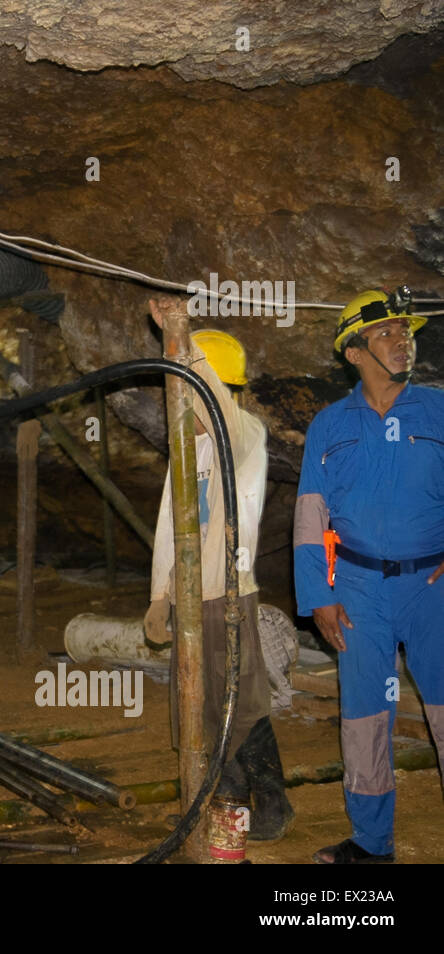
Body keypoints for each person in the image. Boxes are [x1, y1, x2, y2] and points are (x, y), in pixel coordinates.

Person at [294, 287, 444, 864]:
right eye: (385, 334)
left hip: (431, 587)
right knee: (363, 716)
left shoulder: (437, 409)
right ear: (354, 352)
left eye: (404, 332)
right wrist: (317, 596)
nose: (401, 341)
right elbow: (311, 517)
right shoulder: (330, 426)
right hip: (357, 587)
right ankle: (372, 843)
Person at [144, 304, 292, 841]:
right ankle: (223, 800)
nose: (180, 400)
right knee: (197, 704)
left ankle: (273, 804)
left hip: (230, 595)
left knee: (242, 701)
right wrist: (160, 596)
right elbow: (168, 524)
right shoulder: (188, 449)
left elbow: (222, 412)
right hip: (188, 597)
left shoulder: (245, 433)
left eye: (190, 388)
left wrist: (182, 345)